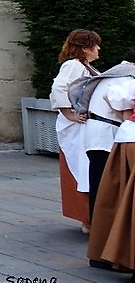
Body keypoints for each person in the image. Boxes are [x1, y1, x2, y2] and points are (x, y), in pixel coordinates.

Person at [86, 61, 135, 283]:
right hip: (125, 138)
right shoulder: (126, 77)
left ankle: (106, 254)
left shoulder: (120, 77)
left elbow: (123, 108)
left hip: (125, 138)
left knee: (116, 197)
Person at [48, 29, 101, 233]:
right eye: (95, 45)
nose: (98, 49)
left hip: (83, 126)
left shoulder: (85, 66)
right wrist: (70, 114)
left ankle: (90, 217)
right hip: (76, 128)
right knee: (84, 169)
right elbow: (59, 88)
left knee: (87, 169)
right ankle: (87, 219)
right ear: (85, 48)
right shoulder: (73, 65)